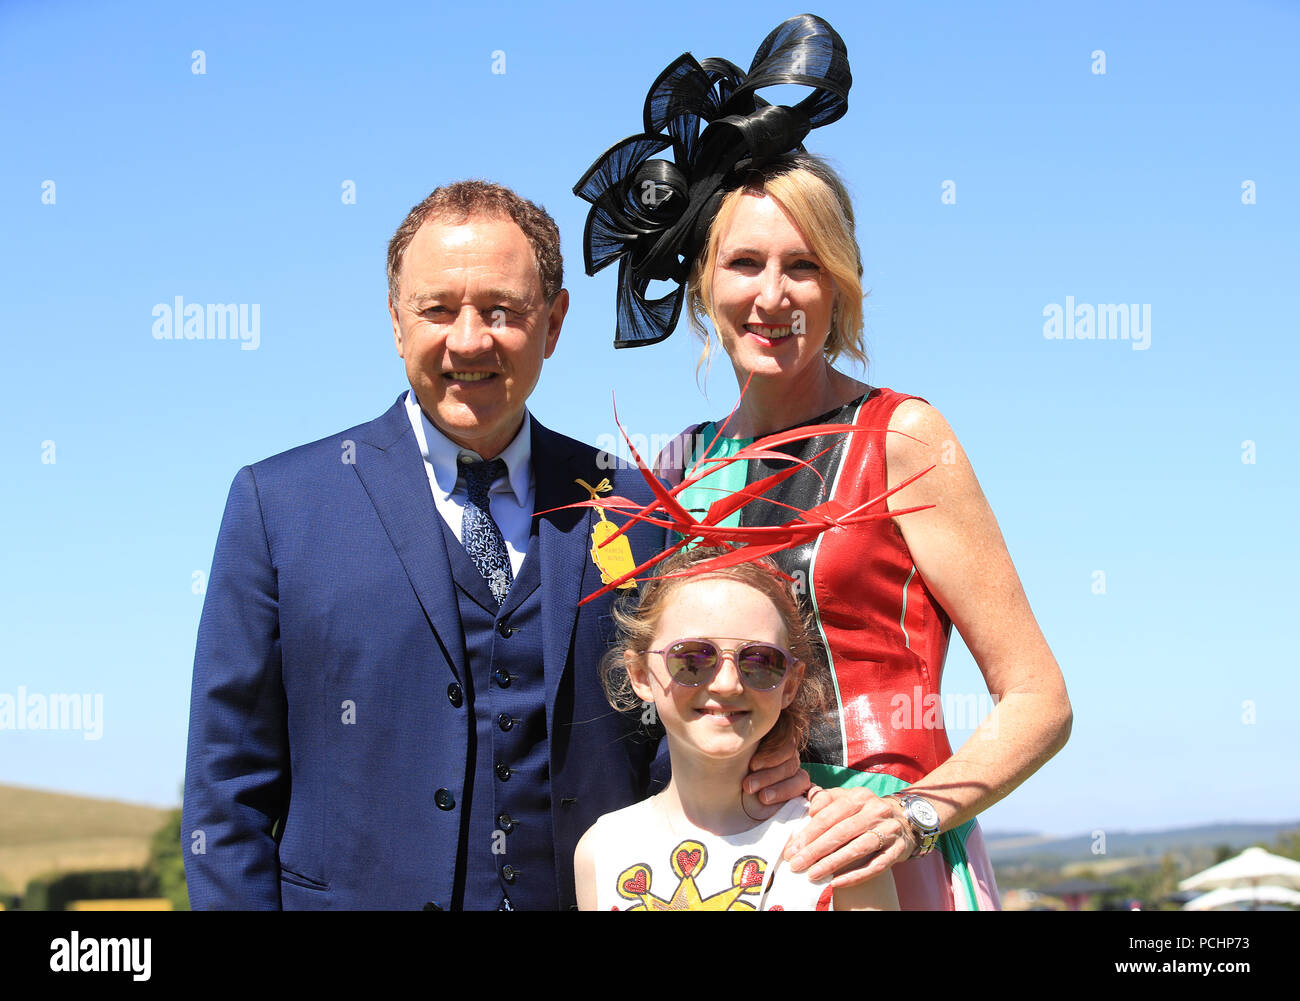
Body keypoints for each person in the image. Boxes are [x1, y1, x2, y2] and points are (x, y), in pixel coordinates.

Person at [180, 180, 810, 911]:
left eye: (502, 311)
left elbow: (682, 730)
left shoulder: (640, 505)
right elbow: (227, 790)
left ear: (553, 323)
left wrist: (765, 754)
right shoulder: (279, 506)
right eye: (438, 309)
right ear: (395, 320)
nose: (469, 339)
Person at [575, 15, 1072, 909]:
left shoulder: (903, 435)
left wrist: (915, 812)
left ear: (839, 284)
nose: (772, 296)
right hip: (734, 868)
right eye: (745, 263)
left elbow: (1039, 698)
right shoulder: (683, 465)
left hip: (887, 853)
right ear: (702, 285)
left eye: (803, 266)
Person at [575, 547, 899, 911]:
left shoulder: (836, 845)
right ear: (640, 675)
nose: (727, 684)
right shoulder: (602, 850)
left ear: (790, 684)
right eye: (693, 658)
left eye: (761, 661)